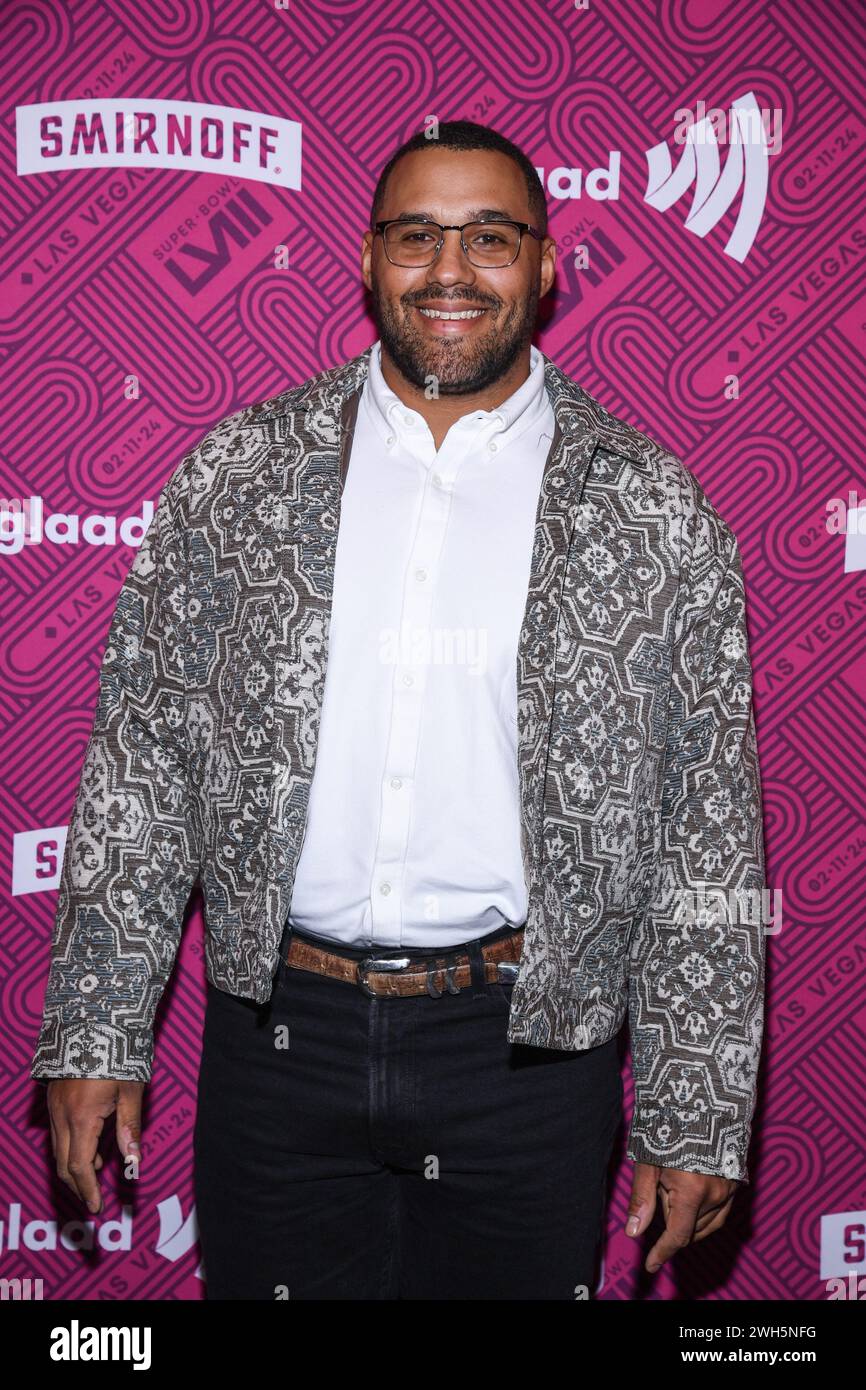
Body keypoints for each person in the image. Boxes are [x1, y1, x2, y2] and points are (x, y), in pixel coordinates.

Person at [31, 120, 767, 1300]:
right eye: (416, 236)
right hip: (280, 1038)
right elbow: (141, 766)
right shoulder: (243, 473)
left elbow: (706, 823)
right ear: (368, 262)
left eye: (489, 237)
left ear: (542, 263)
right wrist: (95, 1028)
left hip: (525, 1052)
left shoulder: (647, 507)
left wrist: (694, 1103)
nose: (450, 270)